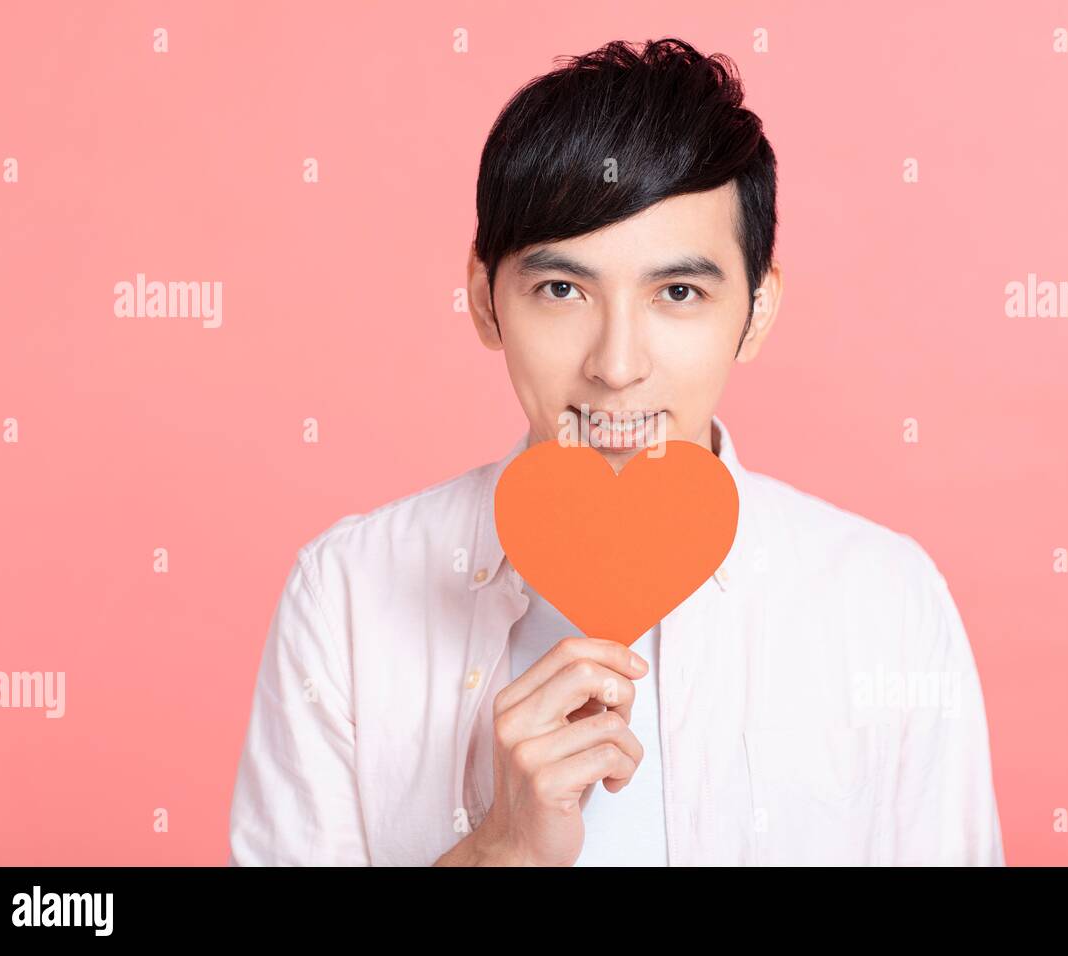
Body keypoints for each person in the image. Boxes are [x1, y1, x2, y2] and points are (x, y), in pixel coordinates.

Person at [227, 37, 1005, 866]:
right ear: (485, 302)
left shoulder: (883, 602)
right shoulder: (346, 596)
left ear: (759, 309)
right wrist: (501, 851)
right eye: (562, 290)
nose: (617, 365)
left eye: (678, 293)